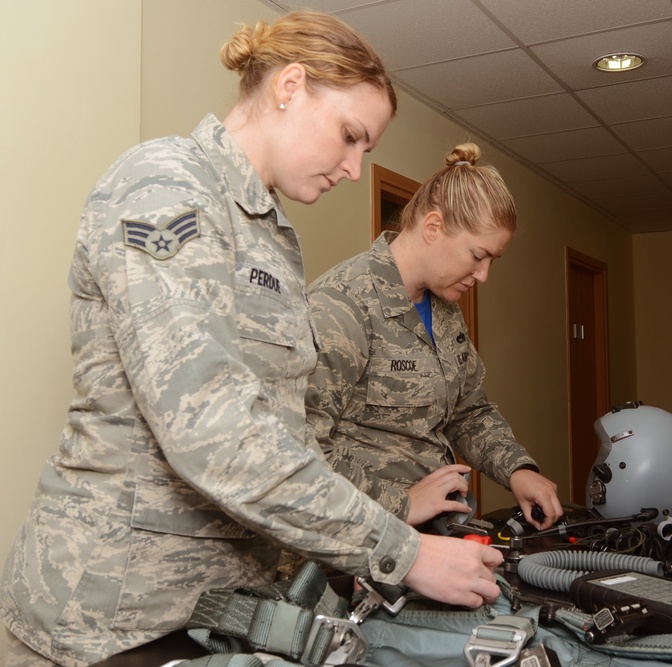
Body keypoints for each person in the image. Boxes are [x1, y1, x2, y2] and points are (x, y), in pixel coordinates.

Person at [1, 12, 501, 667]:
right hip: (115, 616)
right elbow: (212, 425)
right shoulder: (167, 185)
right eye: (350, 137)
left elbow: (285, 436)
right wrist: (401, 549)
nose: (354, 169)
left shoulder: (268, 231)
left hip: (220, 608)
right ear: (290, 85)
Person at [306, 143, 564, 532]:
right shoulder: (342, 306)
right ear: (432, 227)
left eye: (492, 260)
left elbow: (468, 411)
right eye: (478, 255)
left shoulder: (443, 306)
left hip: (436, 532)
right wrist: (400, 503)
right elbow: (300, 451)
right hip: (362, 544)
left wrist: (517, 470)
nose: (483, 276)